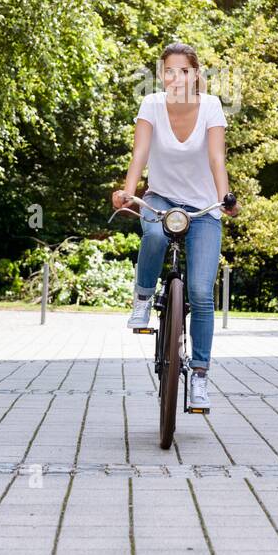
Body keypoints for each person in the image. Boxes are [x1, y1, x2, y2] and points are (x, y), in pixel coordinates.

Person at [112, 41, 239, 410]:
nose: (176, 77)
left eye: (184, 71)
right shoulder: (150, 104)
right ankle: (142, 297)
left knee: (200, 293)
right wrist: (128, 191)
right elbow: (140, 153)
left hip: (202, 207)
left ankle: (199, 376)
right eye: (169, 71)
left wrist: (226, 198)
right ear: (161, 75)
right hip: (161, 198)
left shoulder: (212, 107)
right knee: (152, 234)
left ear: (196, 74)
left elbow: (217, 158)